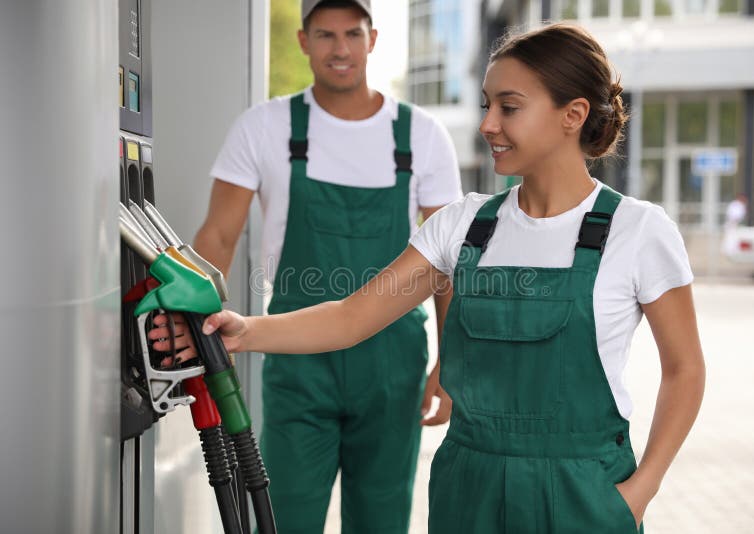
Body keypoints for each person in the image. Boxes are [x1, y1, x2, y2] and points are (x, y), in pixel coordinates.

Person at [154, 23, 705, 533]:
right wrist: (243, 331)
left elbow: (684, 370)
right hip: (469, 486)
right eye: (488, 105)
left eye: (509, 107)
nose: (489, 124)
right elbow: (351, 317)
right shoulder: (464, 225)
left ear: (573, 114)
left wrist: (641, 490)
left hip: (584, 489)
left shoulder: (637, 231)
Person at [183, 1, 462, 532]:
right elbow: (217, 236)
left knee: (382, 519)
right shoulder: (264, 127)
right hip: (297, 357)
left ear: (373, 39)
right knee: (283, 514)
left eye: (352, 34)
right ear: (303, 40)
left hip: (392, 363)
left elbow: (448, 260)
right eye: (326, 34)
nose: (340, 49)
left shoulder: (421, 135)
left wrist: (450, 363)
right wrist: (197, 328)